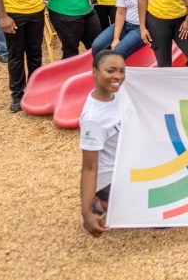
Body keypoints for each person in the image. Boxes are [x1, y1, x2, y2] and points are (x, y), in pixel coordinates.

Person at [80, 49, 125, 237]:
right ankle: (101, 203)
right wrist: (86, 212)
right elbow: (89, 168)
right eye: (111, 70)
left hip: (129, 164)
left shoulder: (120, 92)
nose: (118, 76)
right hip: (111, 176)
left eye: (122, 71)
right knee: (154, 213)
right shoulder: (93, 119)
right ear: (95, 72)